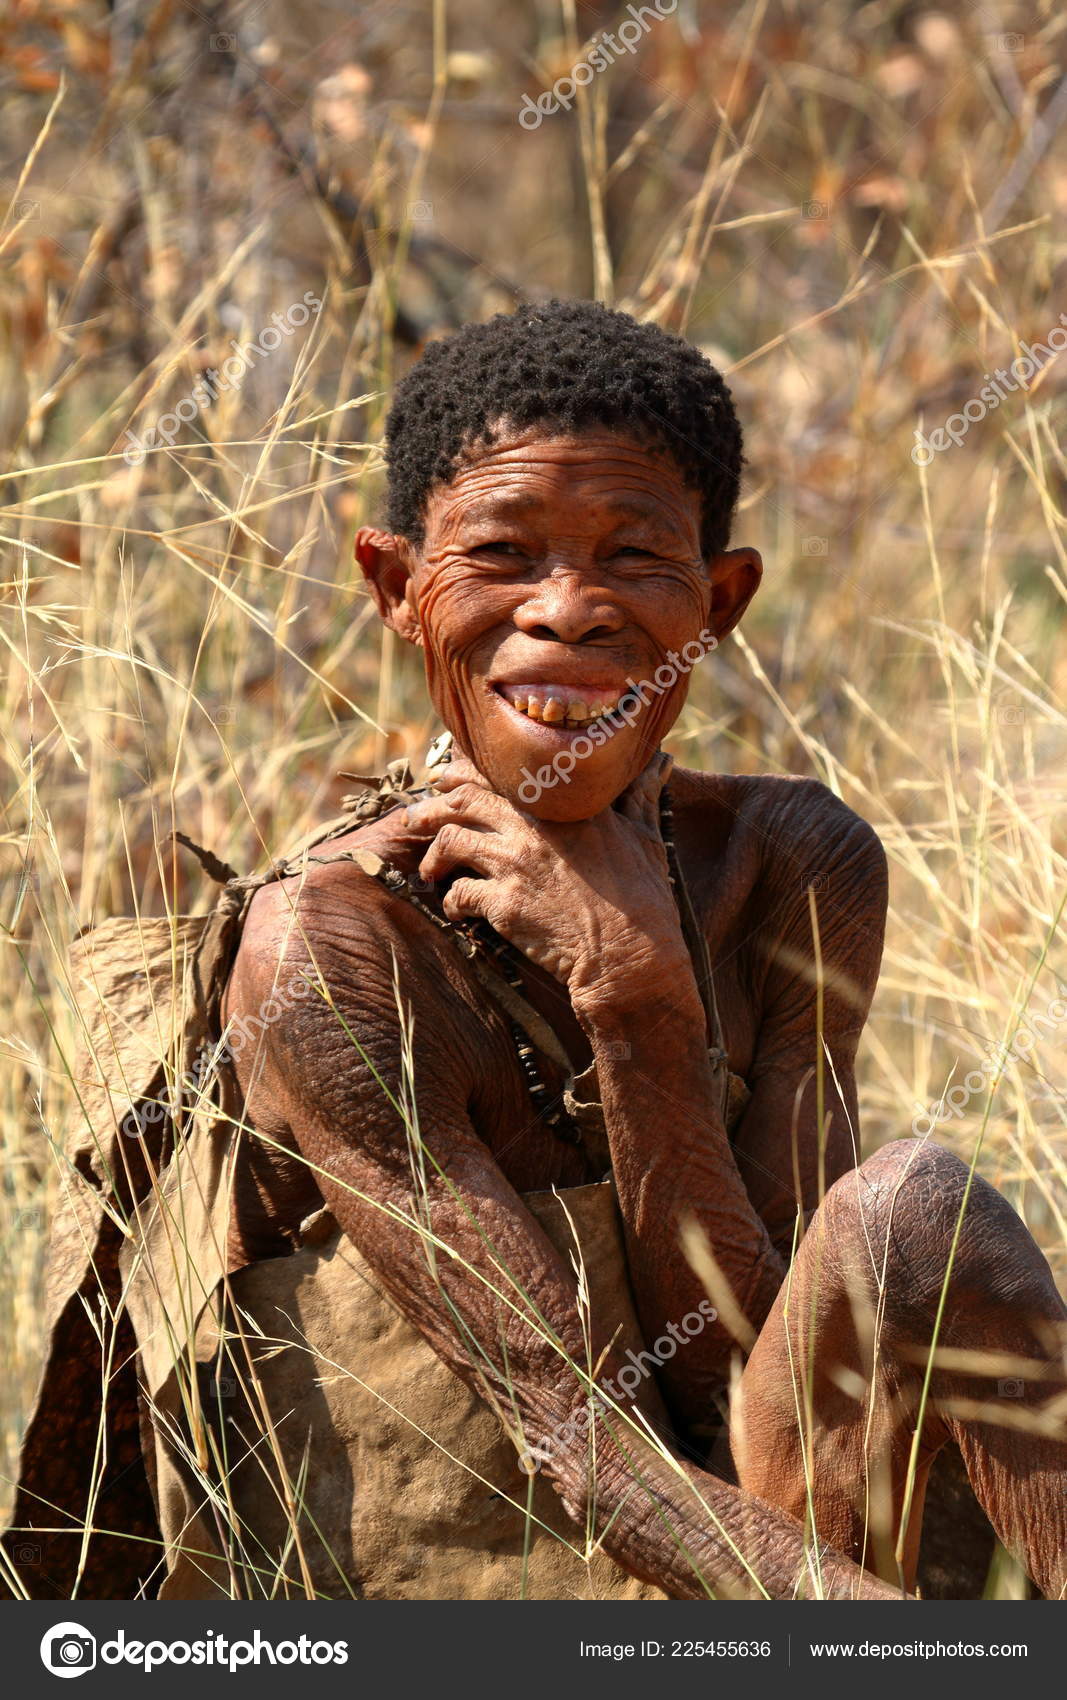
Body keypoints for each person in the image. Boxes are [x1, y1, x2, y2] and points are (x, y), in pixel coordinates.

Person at [7, 300, 1065, 1601]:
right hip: (505, 1598)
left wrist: (642, 1003)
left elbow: (744, 1385)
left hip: (770, 1550)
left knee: (918, 1209)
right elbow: (577, 1443)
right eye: (501, 553)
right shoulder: (333, 949)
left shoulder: (794, 863)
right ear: (398, 589)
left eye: (637, 557)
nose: (568, 610)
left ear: (720, 599)